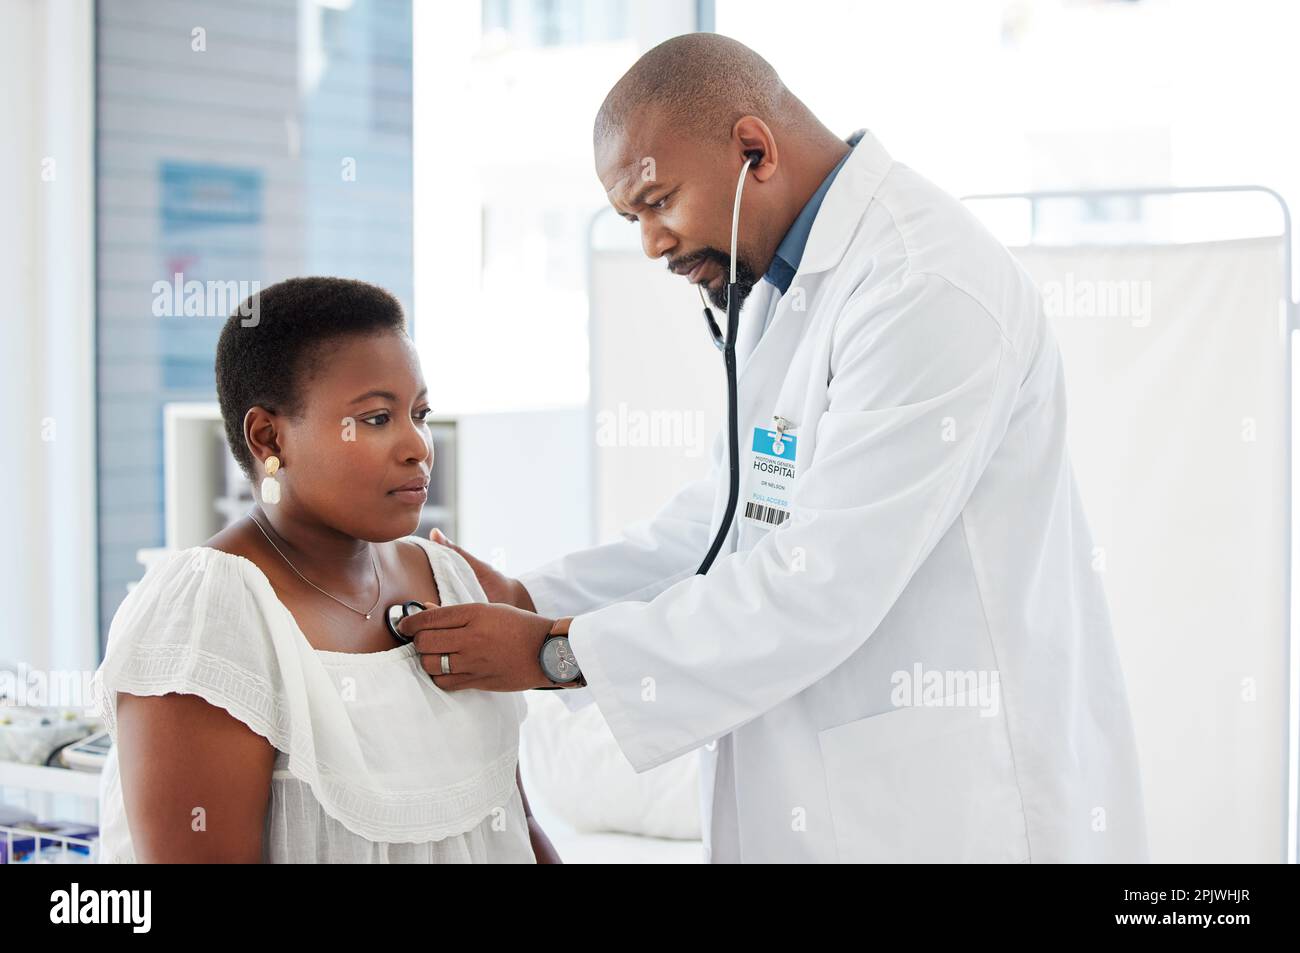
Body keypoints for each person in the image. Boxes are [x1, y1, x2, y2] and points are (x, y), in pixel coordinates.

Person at [395, 33, 1149, 864]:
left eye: (658, 203)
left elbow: (822, 581)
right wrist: (530, 593)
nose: (651, 243)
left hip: (955, 805)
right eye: (631, 219)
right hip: (836, 794)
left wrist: (552, 653)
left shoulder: (924, 284)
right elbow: (727, 520)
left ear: (754, 150)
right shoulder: (777, 286)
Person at [91, 277, 555, 863]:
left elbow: (518, 825)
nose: (418, 446)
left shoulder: (450, 579)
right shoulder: (211, 615)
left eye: (420, 413)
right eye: (377, 418)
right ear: (269, 436)